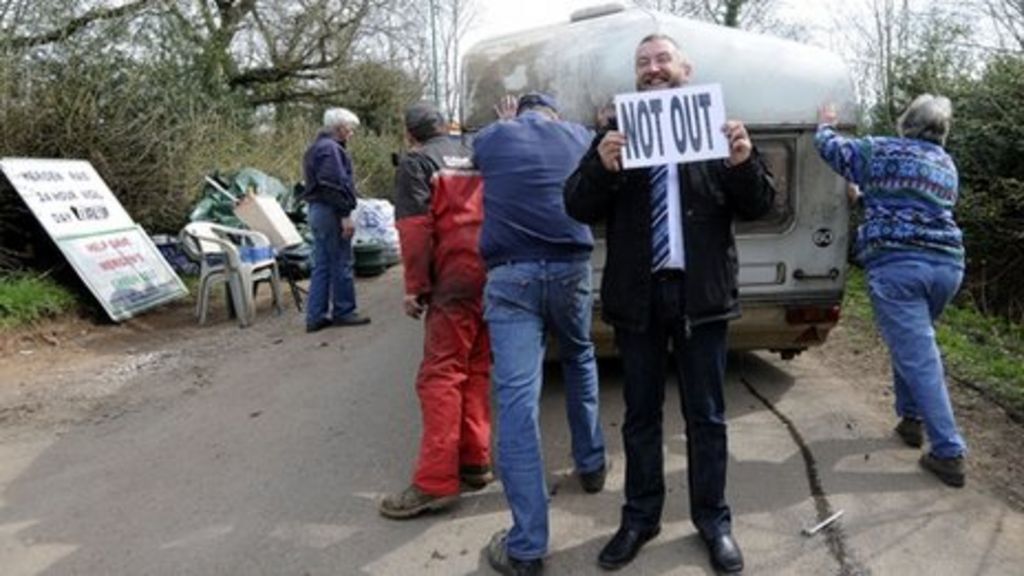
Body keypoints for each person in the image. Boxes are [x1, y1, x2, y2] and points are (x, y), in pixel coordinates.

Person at [564, 34, 776, 573]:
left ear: (686, 67)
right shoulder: (614, 134)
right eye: (643, 62)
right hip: (637, 295)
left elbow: (760, 205)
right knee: (639, 416)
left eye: (662, 60)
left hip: (700, 293)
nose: (653, 68)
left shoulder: (719, 129)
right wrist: (600, 167)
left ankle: (714, 522)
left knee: (706, 416)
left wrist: (743, 163)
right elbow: (576, 206)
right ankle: (639, 518)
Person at [473, 93, 608, 576]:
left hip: (511, 277)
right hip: (571, 270)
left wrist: (506, 123)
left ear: (518, 112)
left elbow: (480, 162)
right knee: (579, 357)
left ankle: (528, 548)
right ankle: (591, 466)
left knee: (516, 400)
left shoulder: (493, 136)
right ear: (553, 113)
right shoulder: (577, 135)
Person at [816, 95, 968, 487]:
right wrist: (865, 199)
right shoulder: (946, 164)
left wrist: (824, 124)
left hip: (898, 266)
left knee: (919, 355)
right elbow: (918, 205)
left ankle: (949, 451)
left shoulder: (879, 150)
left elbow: (831, 150)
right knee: (912, 346)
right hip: (947, 267)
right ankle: (911, 420)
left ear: (906, 122)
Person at [378, 101, 493, 519]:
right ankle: (475, 461)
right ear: (446, 126)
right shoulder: (477, 152)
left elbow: (414, 231)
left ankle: (434, 483)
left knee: (440, 377)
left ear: (411, 134)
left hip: (454, 278)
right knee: (476, 368)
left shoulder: (417, 163)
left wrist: (415, 287)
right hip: (491, 273)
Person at [301, 107, 371, 332]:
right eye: (350, 128)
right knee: (341, 260)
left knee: (321, 264)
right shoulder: (331, 150)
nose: (351, 133)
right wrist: (344, 215)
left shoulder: (316, 148)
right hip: (330, 211)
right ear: (340, 127)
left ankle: (315, 316)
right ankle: (344, 310)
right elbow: (332, 186)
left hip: (317, 210)